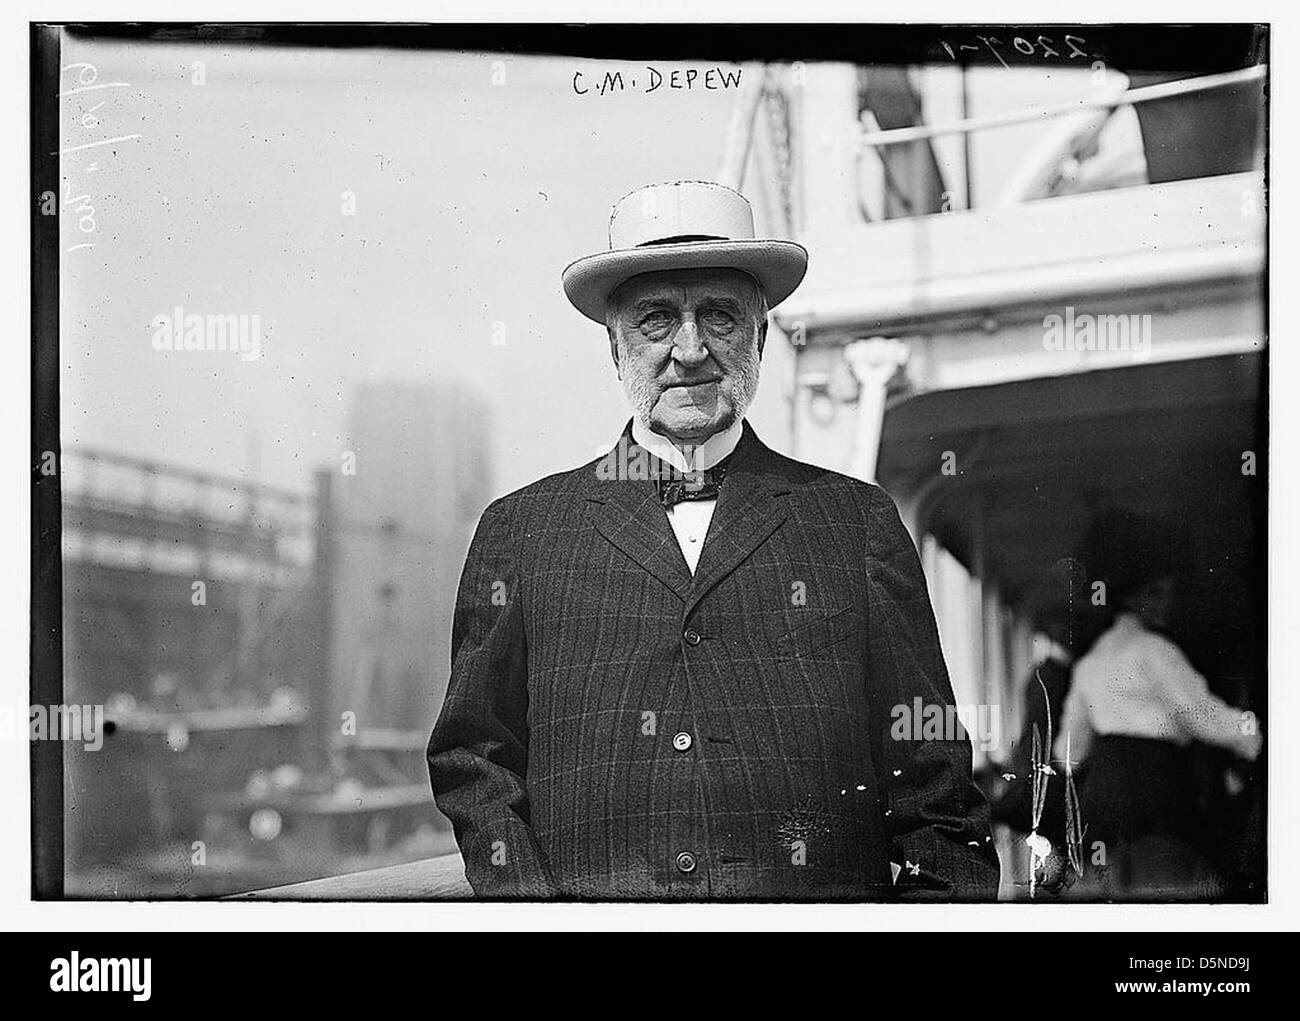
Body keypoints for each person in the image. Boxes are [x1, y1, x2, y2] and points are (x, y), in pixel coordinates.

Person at [427, 180, 999, 900]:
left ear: (760, 337)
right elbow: (473, 758)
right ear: (615, 347)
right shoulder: (521, 530)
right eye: (657, 320)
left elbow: (934, 786)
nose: (689, 349)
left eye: (720, 317)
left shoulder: (856, 522)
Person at [1052, 569, 1262, 897]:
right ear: (1130, 598)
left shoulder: (1089, 663)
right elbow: (1199, 715)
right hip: (1155, 783)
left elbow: (1070, 752)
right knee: (1167, 886)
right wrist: (1252, 735)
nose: (1168, 603)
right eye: (1156, 593)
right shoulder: (1155, 651)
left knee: (1110, 890)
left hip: (1104, 792)